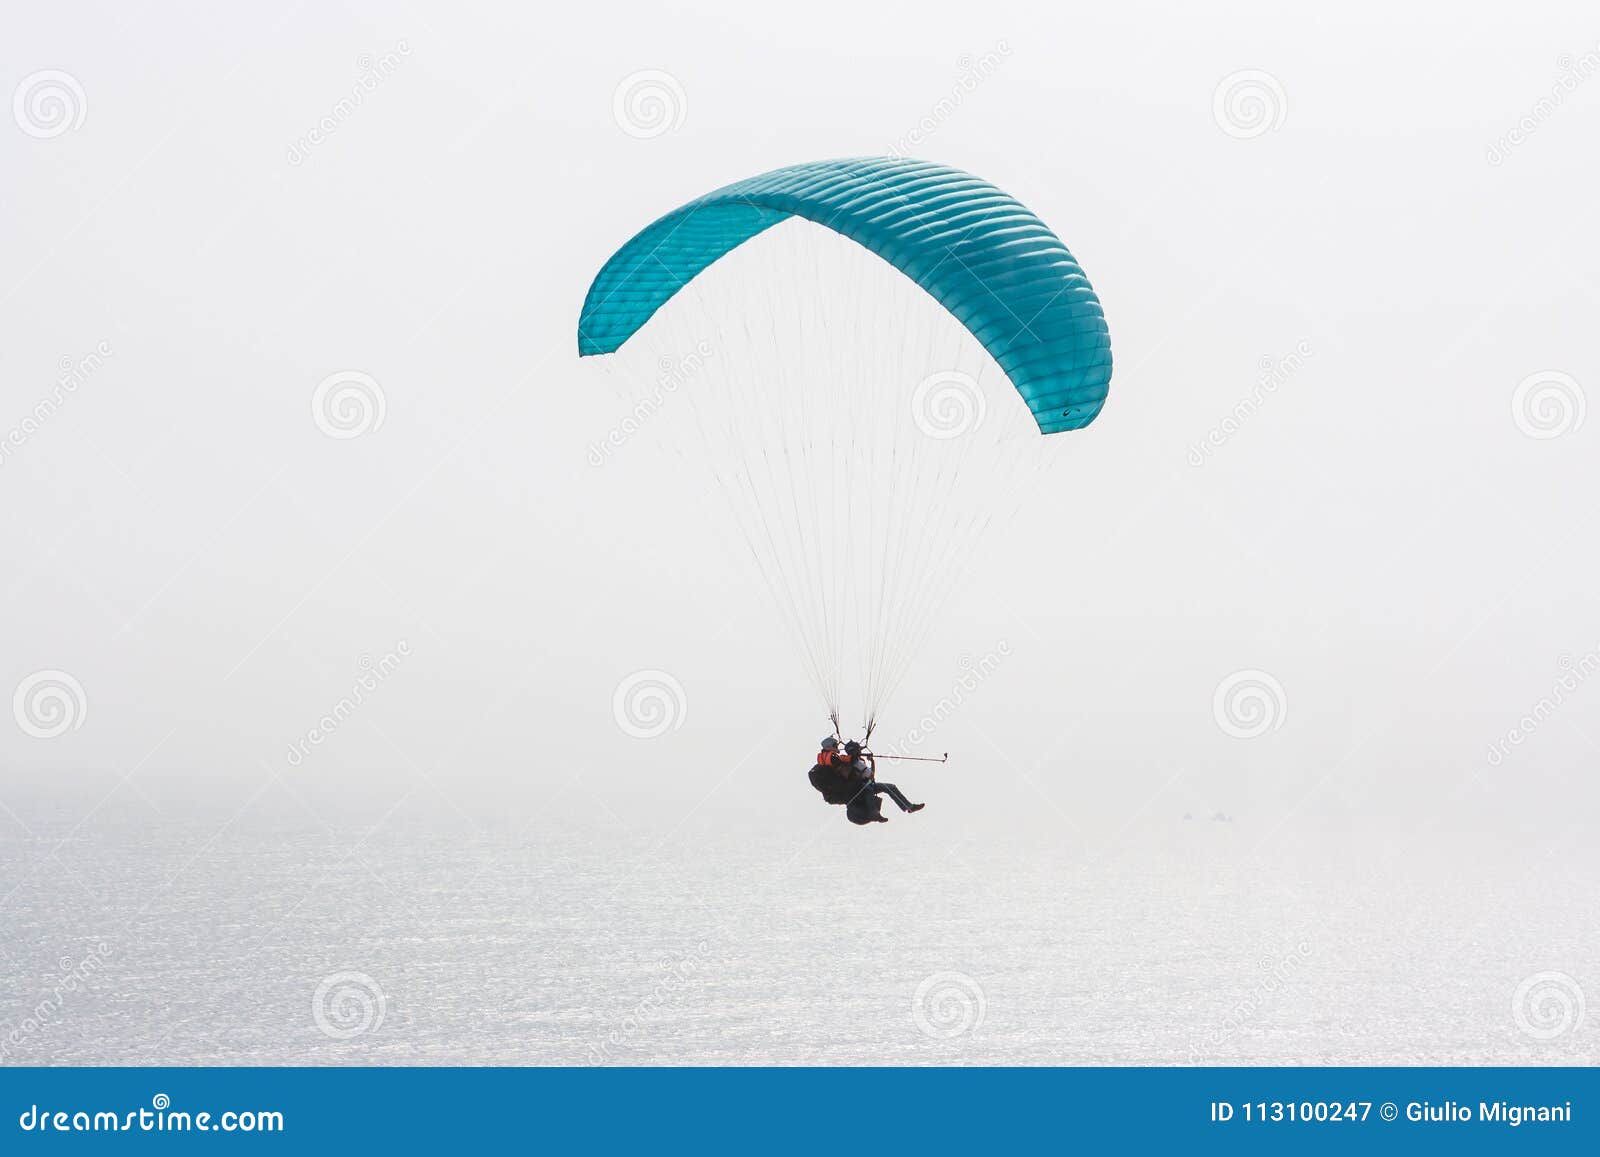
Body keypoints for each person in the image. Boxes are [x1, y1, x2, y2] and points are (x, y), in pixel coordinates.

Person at [808, 737, 925, 825]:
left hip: (859, 785)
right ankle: (874, 814)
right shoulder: (837, 759)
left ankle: (908, 806)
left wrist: (870, 762)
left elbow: (870, 777)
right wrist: (856, 760)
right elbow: (866, 775)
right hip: (855, 787)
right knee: (868, 789)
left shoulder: (837, 759)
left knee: (890, 787)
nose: (837, 747)